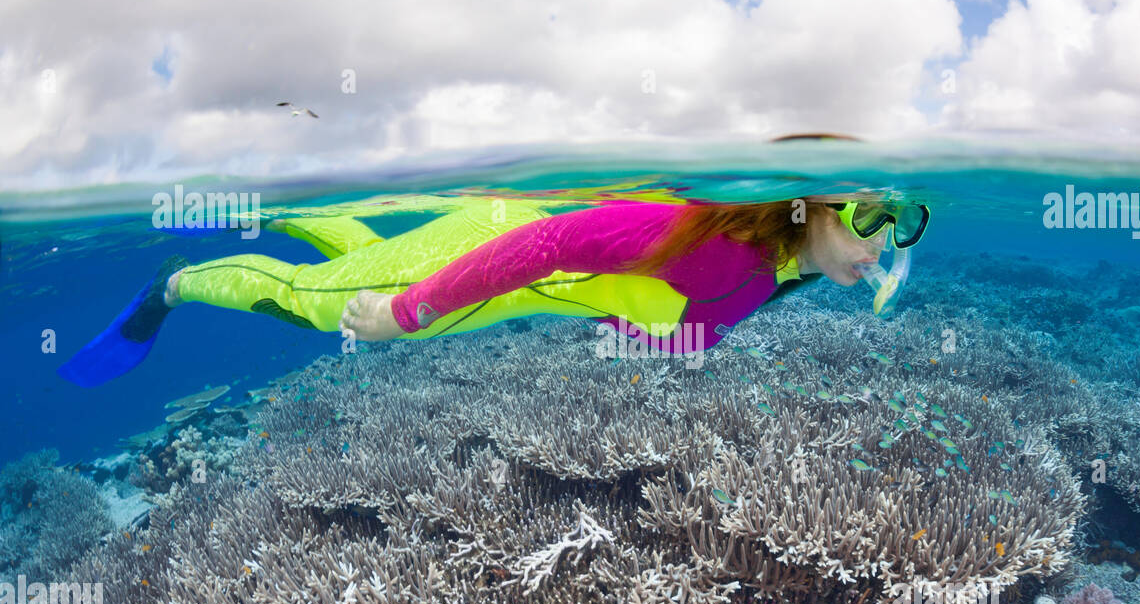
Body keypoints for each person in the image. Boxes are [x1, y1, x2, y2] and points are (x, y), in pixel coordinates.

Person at [56, 193, 928, 386]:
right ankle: (169, 288)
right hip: (490, 257)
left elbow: (702, 316)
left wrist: (664, 340)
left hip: (492, 257)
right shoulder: (708, 232)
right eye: (871, 218)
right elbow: (549, 243)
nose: (882, 246)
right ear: (815, 202)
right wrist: (410, 312)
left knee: (371, 258)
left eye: (899, 233)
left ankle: (288, 208)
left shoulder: (786, 267)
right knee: (323, 306)